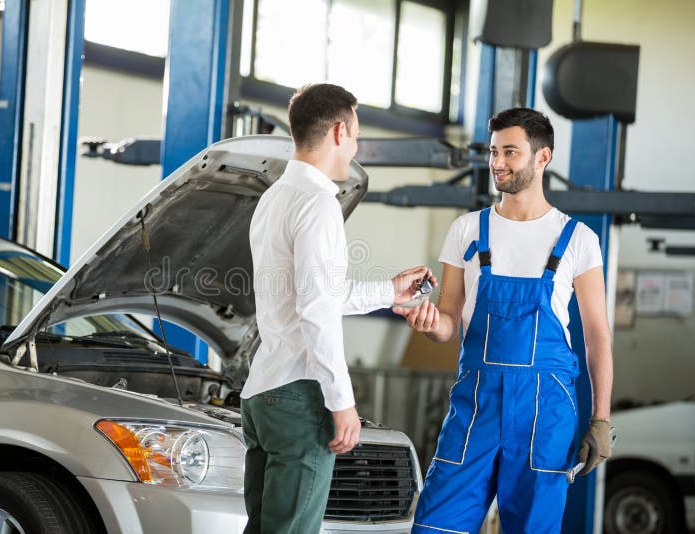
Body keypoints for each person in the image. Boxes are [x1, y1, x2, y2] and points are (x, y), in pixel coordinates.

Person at [394, 107, 614, 533]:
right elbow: (448, 321)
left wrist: (600, 419)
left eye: (510, 152)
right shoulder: (467, 230)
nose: (498, 162)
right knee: (436, 525)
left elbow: (597, 336)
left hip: (545, 412)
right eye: (494, 151)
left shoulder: (578, 240)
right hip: (477, 404)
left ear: (543, 156)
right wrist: (429, 323)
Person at [240, 83, 433, 534]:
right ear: (339, 132)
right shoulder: (318, 202)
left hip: (262, 394)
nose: (356, 148)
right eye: (356, 136)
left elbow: (314, 295)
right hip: (298, 395)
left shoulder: (273, 198)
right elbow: (316, 310)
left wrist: (388, 292)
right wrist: (341, 402)